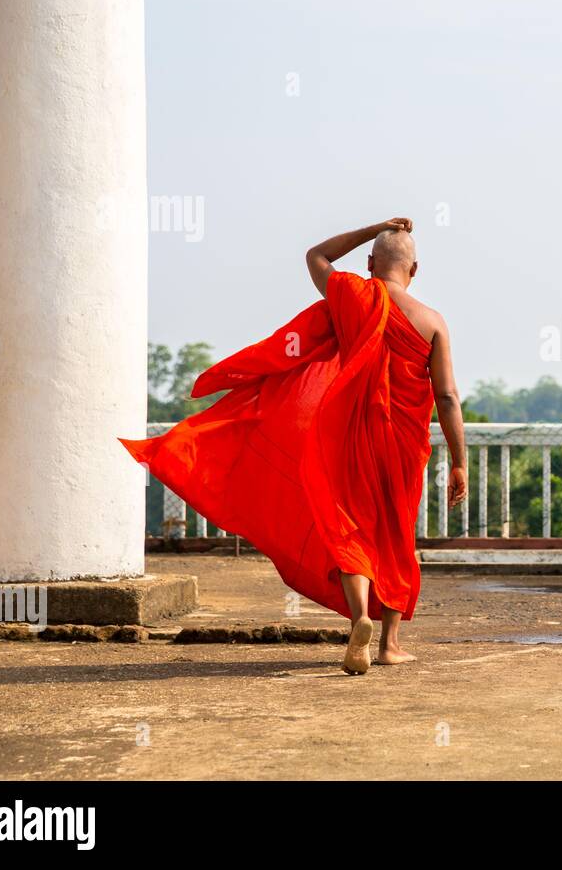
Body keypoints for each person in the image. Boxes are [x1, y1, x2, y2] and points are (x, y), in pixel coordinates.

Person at [121, 217, 467, 674]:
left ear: (369, 262)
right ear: (415, 269)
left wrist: (373, 228)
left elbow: (315, 256)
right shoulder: (432, 321)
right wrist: (459, 463)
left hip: (347, 437)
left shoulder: (351, 293)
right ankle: (390, 644)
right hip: (402, 444)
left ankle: (360, 616)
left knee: (351, 529)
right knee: (394, 533)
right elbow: (446, 396)